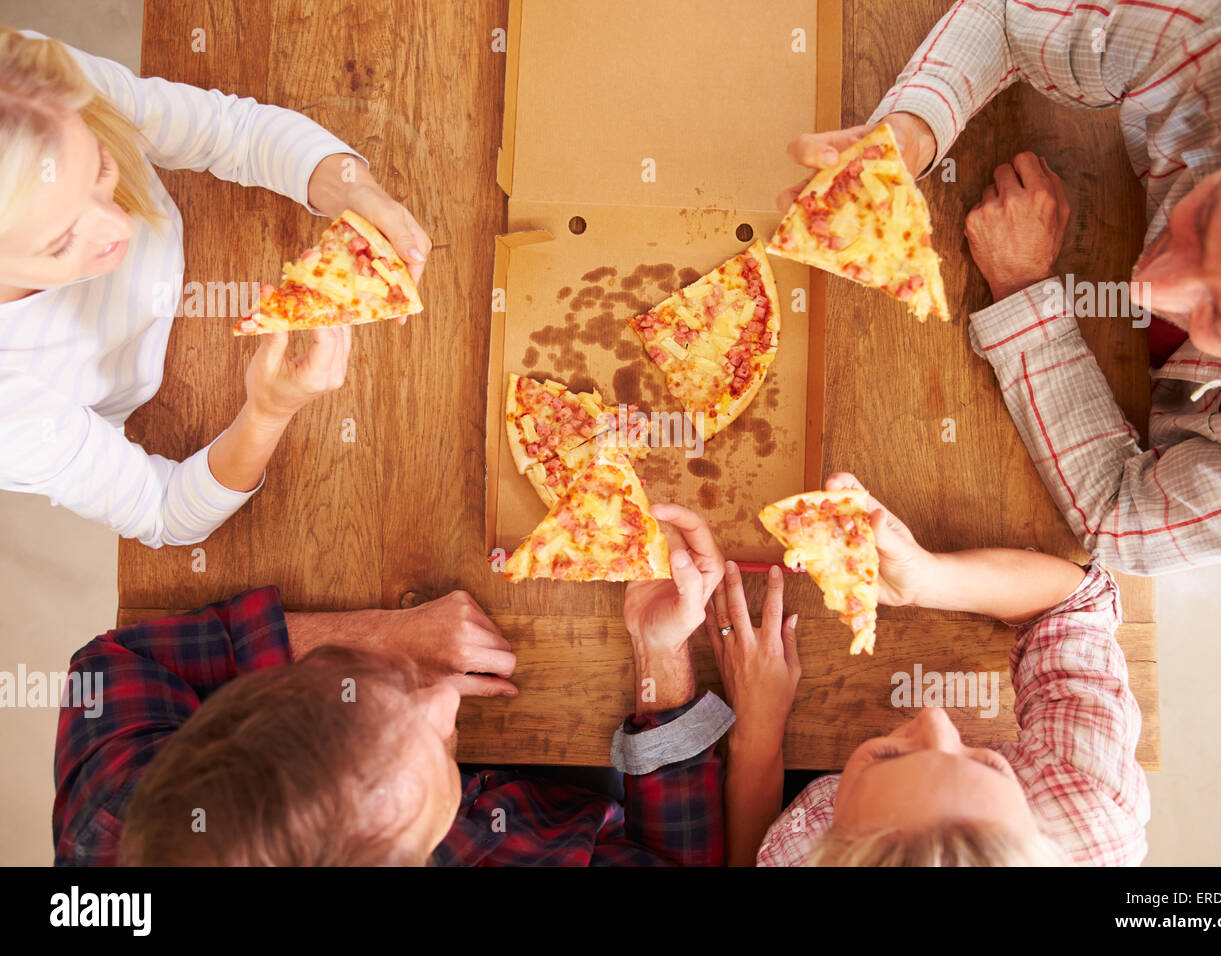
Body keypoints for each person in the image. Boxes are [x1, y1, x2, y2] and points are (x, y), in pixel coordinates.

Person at [783, 0, 1221, 575]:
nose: (1148, 287)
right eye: (1205, 221)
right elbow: (1005, 16)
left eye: (1218, 318)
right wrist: (911, 137)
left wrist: (1024, 286)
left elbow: (1119, 520)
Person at [53, 505, 732, 866]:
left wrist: (378, 636)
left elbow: (117, 667)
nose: (443, 695)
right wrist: (660, 657)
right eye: (434, 748)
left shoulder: (117, 817)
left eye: (365, 695)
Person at [0, 27, 432, 548]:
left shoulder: (24, 87)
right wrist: (267, 413)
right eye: (63, 241)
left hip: (211, 225)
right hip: (156, 401)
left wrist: (352, 186)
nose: (120, 227)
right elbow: (164, 512)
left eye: (101, 167)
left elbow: (234, 132)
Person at [714, 473, 1150, 866]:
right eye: (987, 764)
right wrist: (927, 578)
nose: (934, 717)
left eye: (886, 757)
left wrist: (756, 732)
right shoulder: (1091, 816)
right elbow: (1075, 604)